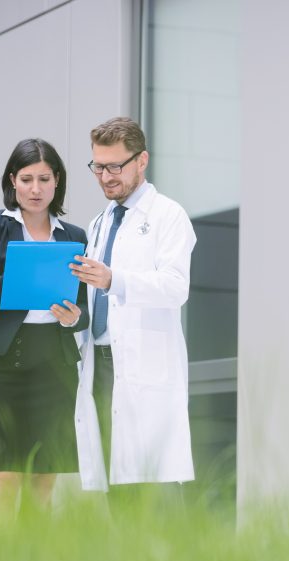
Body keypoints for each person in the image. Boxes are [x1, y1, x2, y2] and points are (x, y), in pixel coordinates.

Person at [71, 117, 197, 501]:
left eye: (115, 166)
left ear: (141, 161)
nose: (105, 177)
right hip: (102, 367)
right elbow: (96, 299)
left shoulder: (168, 216)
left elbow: (176, 287)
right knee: (118, 491)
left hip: (145, 369)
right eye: (98, 167)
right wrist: (76, 318)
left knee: (153, 495)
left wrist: (115, 280)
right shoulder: (99, 223)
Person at [0, 138, 88, 515]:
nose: (36, 189)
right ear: (13, 181)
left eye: (44, 179)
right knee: (2, 480)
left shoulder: (75, 236)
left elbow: (83, 302)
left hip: (54, 367)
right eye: (27, 179)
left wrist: (75, 316)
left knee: (42, 484)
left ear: (57, 182)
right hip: (2, 367)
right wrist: (21, 278)